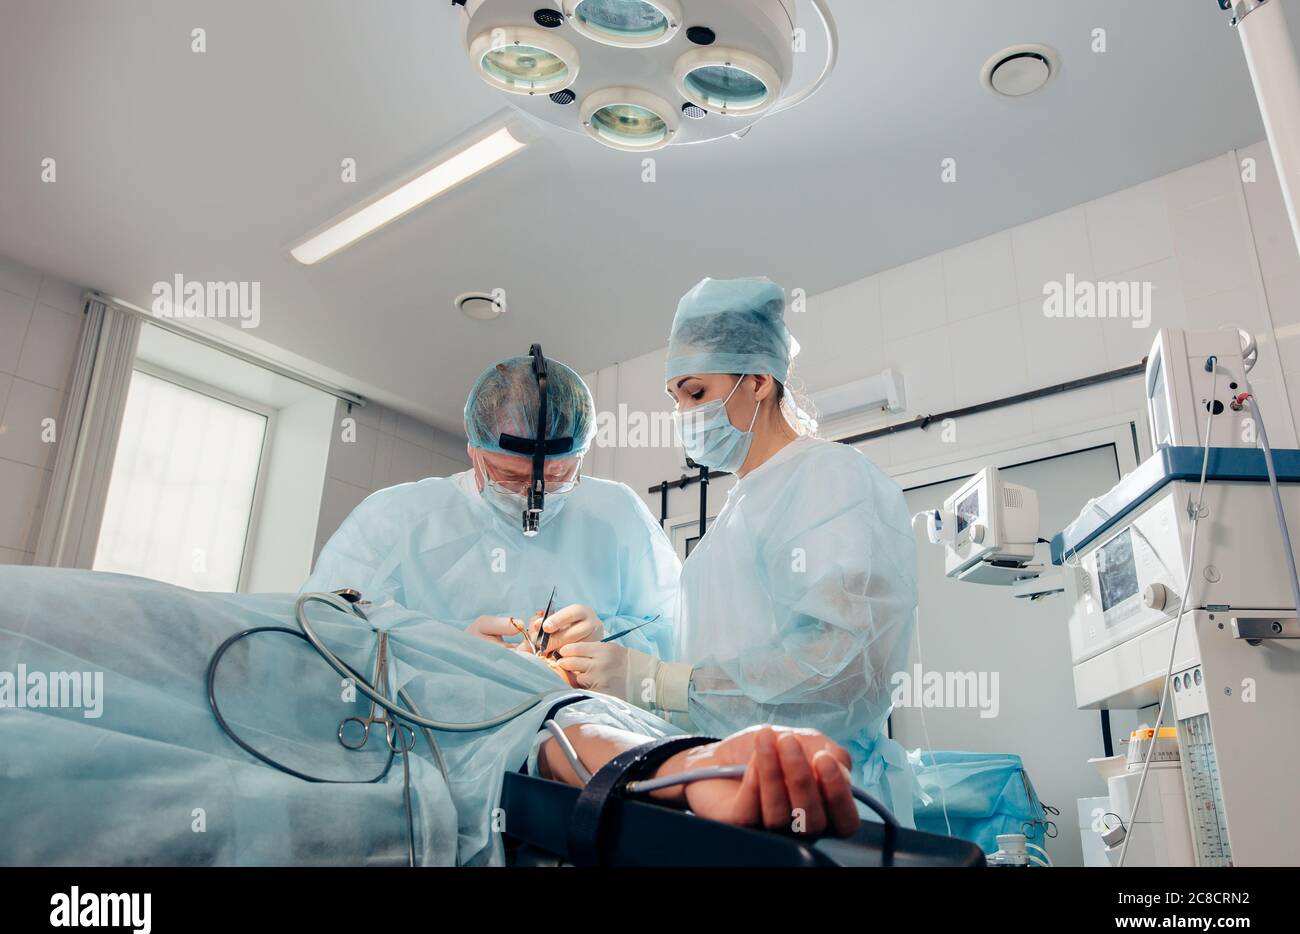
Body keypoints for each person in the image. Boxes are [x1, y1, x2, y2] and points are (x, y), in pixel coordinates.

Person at [0, 565, 859, 865]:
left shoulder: (517, 689)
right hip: (246, 633)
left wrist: (681, 767)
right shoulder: (417, 629)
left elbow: (566, 737)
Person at [546, 278, 922, 827]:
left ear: (760, 381)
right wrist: (615, 645)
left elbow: (846, 673)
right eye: (674, 398)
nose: (684, 414)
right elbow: (717, 655)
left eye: (696, 393)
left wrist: (661, 680)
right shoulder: (741, 511)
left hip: (821, 800)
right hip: (732, 795)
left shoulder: (829, 480)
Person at [304, 353, 678, 660]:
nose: (535, 498)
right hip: (427, 744)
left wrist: (609, 640)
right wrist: (445, 653)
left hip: (576, 737)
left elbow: (676, 637)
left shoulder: (617, 514)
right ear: (473, 450)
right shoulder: (396, 519)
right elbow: (324, 637)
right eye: (510, 477)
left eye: (559, 476)